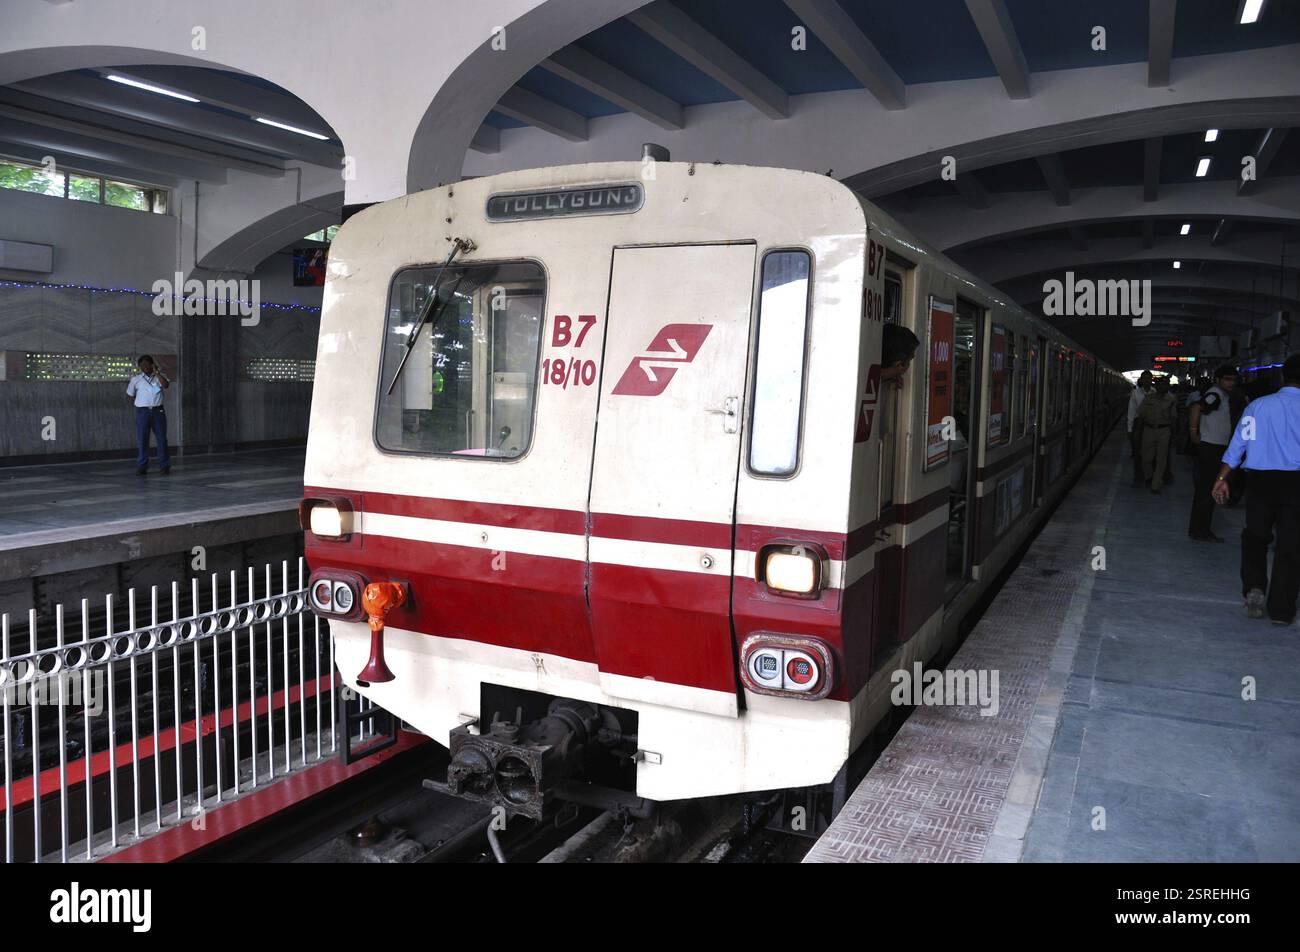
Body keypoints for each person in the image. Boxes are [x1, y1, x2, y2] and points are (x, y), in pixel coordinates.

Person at [1213, 353, 1300, 626]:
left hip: (1261, 481)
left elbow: (1239, 443)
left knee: (1255, 536)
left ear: (1282, 376)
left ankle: (1254, 588)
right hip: (1296, 484)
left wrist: (1222, 477)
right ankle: (1281, 611)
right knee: (1291, 546)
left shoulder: (1259, 407)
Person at [1187, 364, 1238, 542]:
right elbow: (1196, 407)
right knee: (1207, 490)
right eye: (1227, 379)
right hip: (1211, 448)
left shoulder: (1221, 394)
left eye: (1233, 379)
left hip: (1213, 447)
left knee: (1205, 489)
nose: (1231, 383)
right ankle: (1201, 531)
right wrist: (1193, 432)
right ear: (1218, 380)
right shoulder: (1215, 394)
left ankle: (1198, 529)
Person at [126, 354, 171, 475]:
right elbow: (131, 394)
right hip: (143, 412)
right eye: (142, 365)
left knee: (161, 439)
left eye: (147, 364)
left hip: (158, 411)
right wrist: (141, 403)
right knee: (142, 440)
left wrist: (157, 373)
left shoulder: (160, 377)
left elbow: (166, 385)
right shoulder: (136, 379)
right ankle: (142, 466)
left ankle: (164, 466)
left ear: (152, 364)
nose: (144, 367)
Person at [1137, 375, 1177, 493]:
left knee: (1161, 459)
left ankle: (1155, 484)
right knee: (1146, 458)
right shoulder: (1148, 398)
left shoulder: (1172, 399)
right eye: (1160, 384)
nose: (1162, 386)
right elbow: (1141, 415)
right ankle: (1149, 477)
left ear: (1168, 386)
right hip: (1148, 430)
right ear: (1156, 386)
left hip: (1164, 431)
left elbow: (1174, 418)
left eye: (1165, 384)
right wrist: (1138, 432)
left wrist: (1174, 435)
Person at [1127, 371, 1152, 487]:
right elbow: (1131, 411)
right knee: (1137, 452)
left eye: (1148, 378)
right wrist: (1130, 428)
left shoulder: (1155, 393)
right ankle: (1138, 475)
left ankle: (1148, 475)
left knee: (1150, 453)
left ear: (1151, 379)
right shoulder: (1135, 393)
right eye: (1144, 378)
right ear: (1141, 380)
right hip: (1138, 425)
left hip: (1151, 425)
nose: (1146, 380)